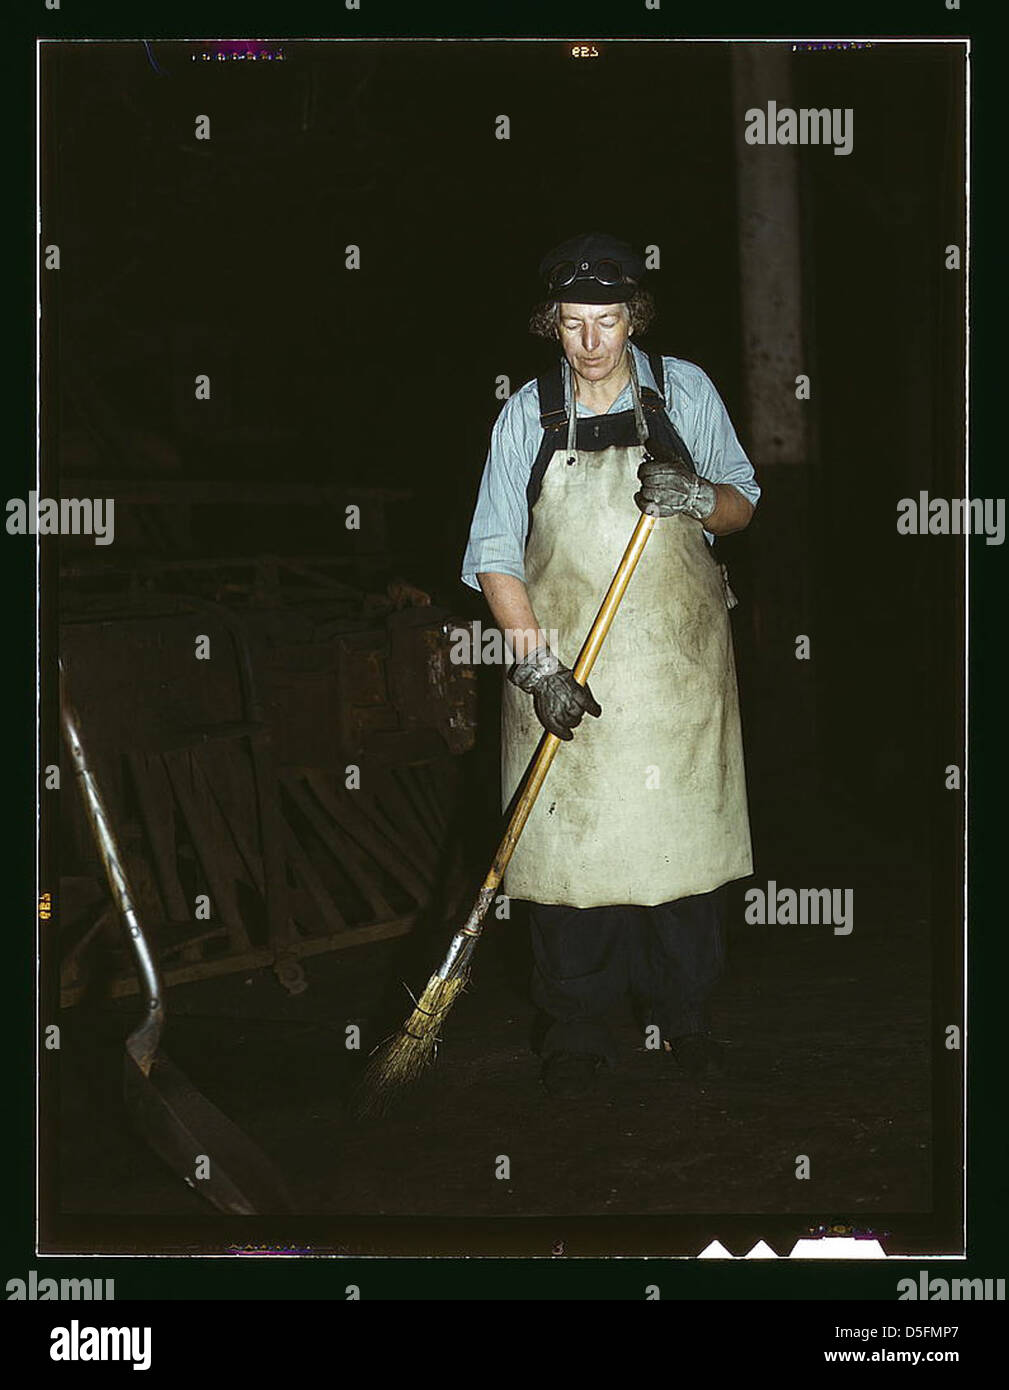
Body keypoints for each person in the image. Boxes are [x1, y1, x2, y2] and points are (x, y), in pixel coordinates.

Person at [461, 232, 759, 1098]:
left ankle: (687, 1021)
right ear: (549, 324)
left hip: (677, 677)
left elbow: (743, 502)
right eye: (572, 323)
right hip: (565, 679)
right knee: (570, 865)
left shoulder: (684, 392)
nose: (591, 343)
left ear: (634, 317)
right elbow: (492, 552)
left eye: (609, 320)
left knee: (680, 855)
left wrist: (702, 497)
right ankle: (577, 1035)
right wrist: (535, 666)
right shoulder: (528, 413)